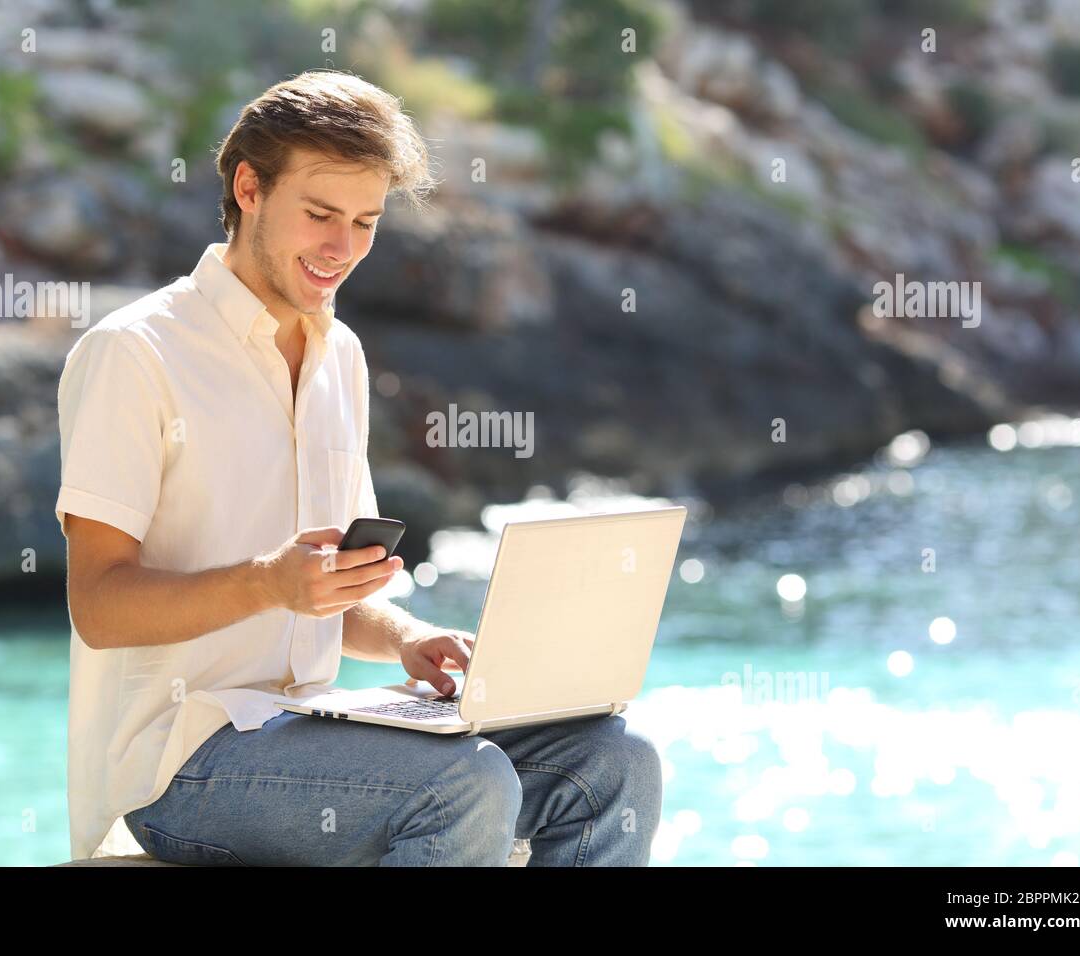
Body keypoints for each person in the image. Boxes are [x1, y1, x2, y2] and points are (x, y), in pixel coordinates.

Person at [56, 69, 662, 866]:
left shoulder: (340, 354)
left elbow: (329, 592)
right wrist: (265, 584)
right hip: (177, 764)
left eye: (366, 221)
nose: (342, 249)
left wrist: (410, 638)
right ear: (248, 187)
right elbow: (98, 607)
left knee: (615, 764)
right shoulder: (133, 353)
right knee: (464, 785)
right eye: (319, 215)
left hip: (315, 733)